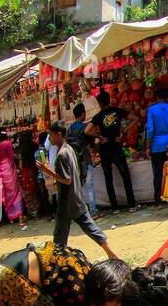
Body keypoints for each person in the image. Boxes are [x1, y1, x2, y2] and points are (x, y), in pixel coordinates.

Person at [40, 121, 118, 259]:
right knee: (87, 228)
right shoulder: (69, 149)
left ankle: (58, 261)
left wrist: (47, 171)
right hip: (76, 196)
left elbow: (66, 179)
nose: (50, 139)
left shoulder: (62, 155)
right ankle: (111, 253)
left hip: (67, 200)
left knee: (60, 235)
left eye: (51, 135)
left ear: (58, 134)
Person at [87, 89, 139, 212]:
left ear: (100, 103)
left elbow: (87, 130)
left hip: (105, 148)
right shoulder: (118, 111)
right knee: (125, 175)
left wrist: (99, 137)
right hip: (116, 145)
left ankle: (115, 207)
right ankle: (131, 204)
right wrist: (124, 131)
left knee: (108, 178)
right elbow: (135, 118)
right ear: (109, 100)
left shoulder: (98, 116)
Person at [145, 88, 168, 203]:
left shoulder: (151, 109)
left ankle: (157, 200)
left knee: (158, 173)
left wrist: (148, 146)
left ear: (156, 97)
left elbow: (150, 129)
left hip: (156, 145)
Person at [67, 103, 98, 220]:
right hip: (85, 158)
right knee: (89, 186)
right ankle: (93, 211)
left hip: (74, 161)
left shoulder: (69, 129)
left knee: (78, 187)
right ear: (83, 114)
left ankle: (80, 211)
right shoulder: (85, 128)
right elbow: (92, 143)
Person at [0, 129, 24, 225]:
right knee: (15, 193)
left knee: (7, 193)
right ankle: (20, 217)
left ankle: (11, 218)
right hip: (9, 169)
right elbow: (11, 156)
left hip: (0, 171)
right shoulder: (7, 144)